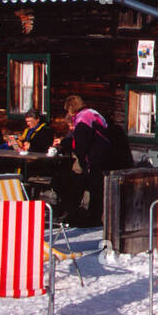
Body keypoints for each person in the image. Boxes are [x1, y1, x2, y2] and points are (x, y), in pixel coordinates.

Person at [55, 95, 113, 227]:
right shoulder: (93, 113)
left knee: (87, 186)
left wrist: (81, 160)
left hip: (94, 158)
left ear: (71, 108)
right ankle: (93, 217)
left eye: (68, 110)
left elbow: (80, 144)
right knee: (96, 188)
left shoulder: (82, 120)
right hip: (104, 155)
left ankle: (88, 218)